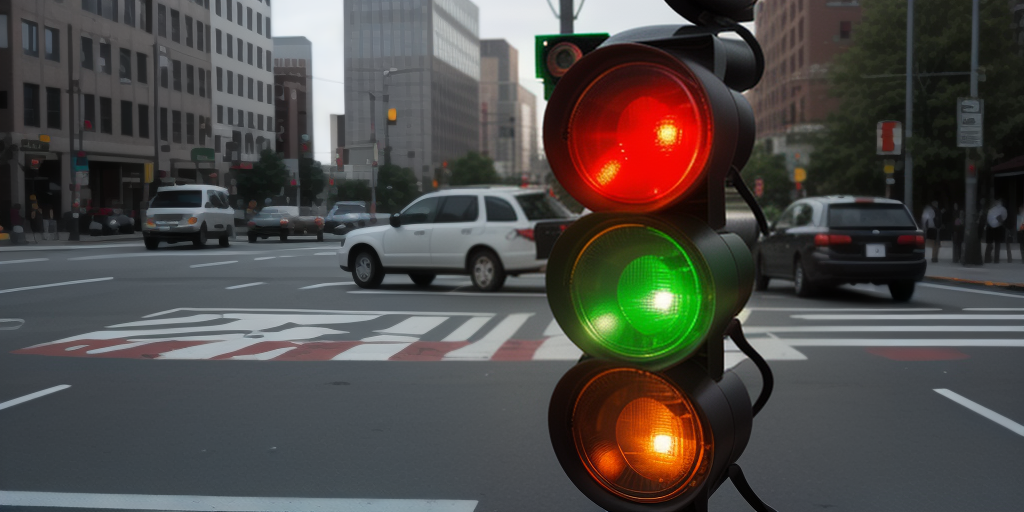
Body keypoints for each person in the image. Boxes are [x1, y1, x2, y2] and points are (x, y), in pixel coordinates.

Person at [984, 198, 1007, 263]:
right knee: (996, 245)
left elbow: (989, 220)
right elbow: (1001, 219)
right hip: (997, 229)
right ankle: (995, 259)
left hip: (991, 229)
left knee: (990, 244)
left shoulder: (991, 211)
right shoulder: (999, 210)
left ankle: (988, 258)